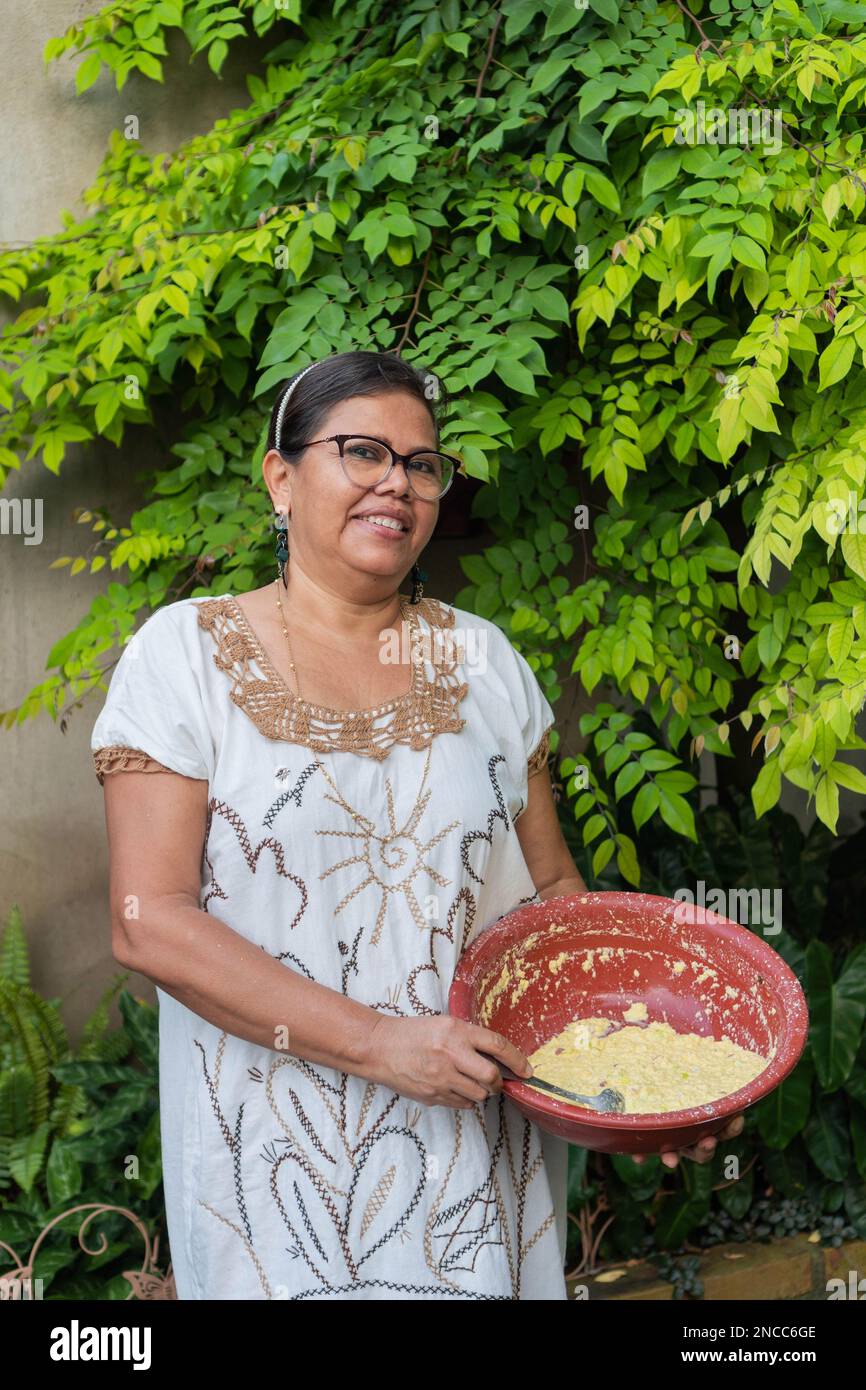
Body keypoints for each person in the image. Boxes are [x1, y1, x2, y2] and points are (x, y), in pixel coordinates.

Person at [90, 350, 742, 1300]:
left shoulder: (486, 664)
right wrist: (381, 1043)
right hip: (279, 1166)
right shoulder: (183, 657)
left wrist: (645, 1082)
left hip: (483, 1150)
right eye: (362, 452)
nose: (397, 480)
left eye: (422, 464)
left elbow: (554, 895)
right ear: (280, 476)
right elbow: (148, 919)